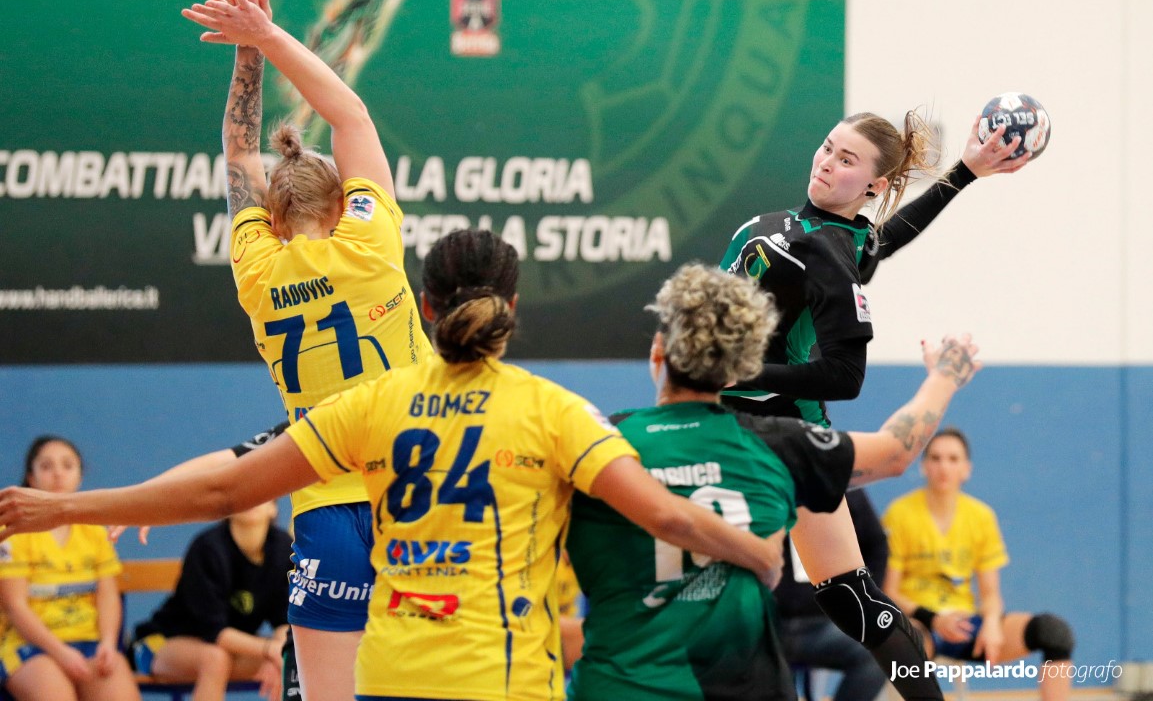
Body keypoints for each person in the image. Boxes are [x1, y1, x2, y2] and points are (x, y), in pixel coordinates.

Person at [0, 229, 786, 701]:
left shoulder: (370, 404)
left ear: (424, 307)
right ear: (515, 309)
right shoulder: (552, 411)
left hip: (391, 672)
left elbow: (225, 486)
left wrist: (66, 507)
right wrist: (755, 552)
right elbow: (664, 514)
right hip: (498, 679)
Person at [178, 0, 434, 701]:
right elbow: (348, 113)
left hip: (321, 504)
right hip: (411, 492)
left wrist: (243, 60)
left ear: (276, 219)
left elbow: (238, 150)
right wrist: (263, 38)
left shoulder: (257, 268)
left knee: (328, 695)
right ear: (341, 197)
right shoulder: (370, 243)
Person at [719, 110, 1031, 701]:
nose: (827, 162)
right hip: (748, 418)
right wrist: (966, 170)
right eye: (828, 146)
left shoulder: (832, 258)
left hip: (778, 425)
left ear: (874, 185)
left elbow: (843, 375)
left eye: (846, 160)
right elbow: (884, 239)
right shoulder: (826, 236)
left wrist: (732, 372)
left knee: (833, 595)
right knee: (850, 598)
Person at [566, 264, 981, 701]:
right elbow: (896, 450)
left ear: (657, 352)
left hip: (620, 686)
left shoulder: (602, 444)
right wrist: (946, 374)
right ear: (739, 371)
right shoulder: (778, 446)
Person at [882, 428, 1075, 701]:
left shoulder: (981, 516)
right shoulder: (899, 514)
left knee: (1054, 633)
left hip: (964, 625)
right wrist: (934, 619)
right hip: (920, 622)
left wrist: (992, 622)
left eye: (953, 459)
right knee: (907, 647)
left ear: (966, 469)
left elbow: (991, 594)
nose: (943, 467)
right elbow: (889, 592)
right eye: (935, 458)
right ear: (924, 467)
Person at [0, 436, 141, 701]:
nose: (58, 474)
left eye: (67, 465)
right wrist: (59, 652)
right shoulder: (13, 533)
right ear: (31, 478)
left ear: (80, 476)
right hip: (28, 647)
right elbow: (14, 605)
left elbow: (108, 594)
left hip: (89, 644)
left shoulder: (95, 532)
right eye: (46, 466)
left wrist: (109, 644)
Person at [130, 501, 292, 701]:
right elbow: (215, 632)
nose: (254, 500)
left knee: (293, 659)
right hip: (162, 642)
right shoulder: (208, 548)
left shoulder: (282, 548)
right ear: (227, 508)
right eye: (247, 495)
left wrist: (278, 655)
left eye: (263, 496)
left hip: (231, 648)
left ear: (273, 508)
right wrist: (270, 650)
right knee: (215, 659)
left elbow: (284, 619)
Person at [777, 490, 889, 701]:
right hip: (768, 625)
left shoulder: (842, 485)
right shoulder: (760, 480)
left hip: (825, 623)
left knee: (879, 651)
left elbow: (877, 545)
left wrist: (867, 600)